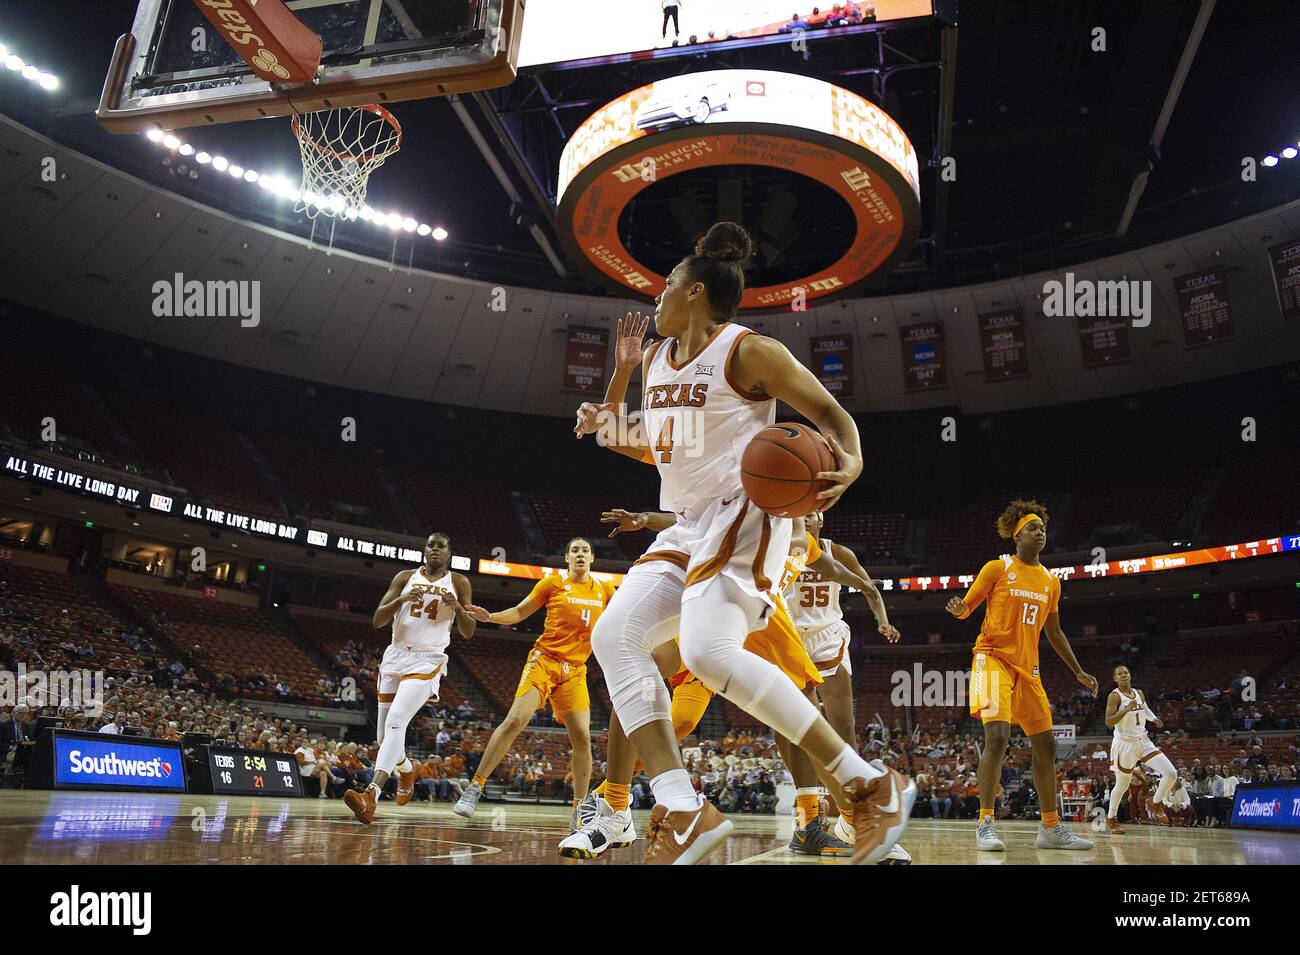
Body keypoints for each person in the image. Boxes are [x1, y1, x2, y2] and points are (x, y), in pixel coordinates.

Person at [573, 222, 915, 864]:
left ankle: (866, 787)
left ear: (695, 291)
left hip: (747, 510)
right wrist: (608, 425)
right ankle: (682, 808)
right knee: (613, 636)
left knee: (705, 652)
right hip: (685, 521)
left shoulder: (749, 352)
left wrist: (855, 461)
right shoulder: (653, 360)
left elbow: (833, 417)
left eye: (667, 284)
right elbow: (664, 447)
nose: (657, 296)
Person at [944, 500, 1096, 851]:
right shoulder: (997, 568)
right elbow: (968, 606)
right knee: (997, 738)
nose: (1040, 532)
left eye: (1043, 528)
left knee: (1046, 745)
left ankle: (1051, 828)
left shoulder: (1050, 582)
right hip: (991, 659)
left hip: (1028, 669)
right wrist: (958, 609)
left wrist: (1078, 670)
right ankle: (985, 823)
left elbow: (1055, 633)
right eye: (1033, 528)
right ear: (1017, 535)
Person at [455, 537, 615, 828]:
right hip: (545, 661)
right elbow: (519, 612)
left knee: (582, 737)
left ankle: (579, 809)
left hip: (576, 670)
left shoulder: (605, 589)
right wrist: (490, 617)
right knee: (515, 720)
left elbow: (619, 621)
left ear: (592, 559)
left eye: (585, 551)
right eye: (575, 551)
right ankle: (474, 787)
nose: (580, 555)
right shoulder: (552, 584)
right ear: (566, 558)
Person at [343, 533, 476, 824]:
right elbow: (378, 619)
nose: (436, 549)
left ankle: (371, 795)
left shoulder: (459, 582)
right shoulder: (404, 577)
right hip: (395, 656)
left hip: (428, 657)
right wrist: (401, 599)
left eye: (442, 545)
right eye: (431, 545)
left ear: (449, 553)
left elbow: (468, 630)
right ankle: (406, 769)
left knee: (396, 722)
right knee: (383, 738)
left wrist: (457, 607)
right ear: (424, 550)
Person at [789, 507, 898, 848]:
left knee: (844, 726)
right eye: (800, 515)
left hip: (828, 634)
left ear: (822, 521)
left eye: (811, 516)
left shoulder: (838, 553)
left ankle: (848, 812)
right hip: (791, 636)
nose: (806, 519)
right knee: (801, 730)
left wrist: (882, 621)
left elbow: (869, 588)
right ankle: (809, 813)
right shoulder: (781, 547)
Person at [1103, 664, 1182, 831]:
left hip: (1143, 741)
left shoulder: (1139, 693)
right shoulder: (1114, 696)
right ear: (1115, 679)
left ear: (1130, 675)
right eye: (1120, 674)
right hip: (1124, 744)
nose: (1124, 675)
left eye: (1126, 672)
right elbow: (1109, 722)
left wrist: (1154, 719)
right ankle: (1111, 818)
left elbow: (1145, 710)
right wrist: (1125, 710)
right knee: (1122, 785)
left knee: (1171, 774)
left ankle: (1155, 803)